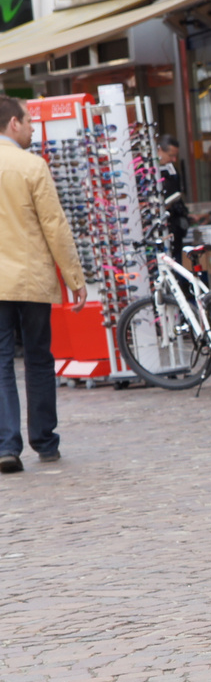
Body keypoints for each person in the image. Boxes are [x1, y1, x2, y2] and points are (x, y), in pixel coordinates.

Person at [0, 96, 86, 473]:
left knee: (0, 362)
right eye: (29, 120)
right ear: (13, 124)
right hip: (32, 276)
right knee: (38, 358)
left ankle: (6, 444)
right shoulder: (32, 166)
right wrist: (75, 277)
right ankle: (45, 441)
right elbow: (54, 226)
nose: (33, 126)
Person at [157, 135, 187, 260]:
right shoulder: (146, 172)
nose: (174, 160)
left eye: (176, 156)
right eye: (170, 155)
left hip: (174, 226)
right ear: (159, 151)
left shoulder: (172, 172)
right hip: (158, 227)